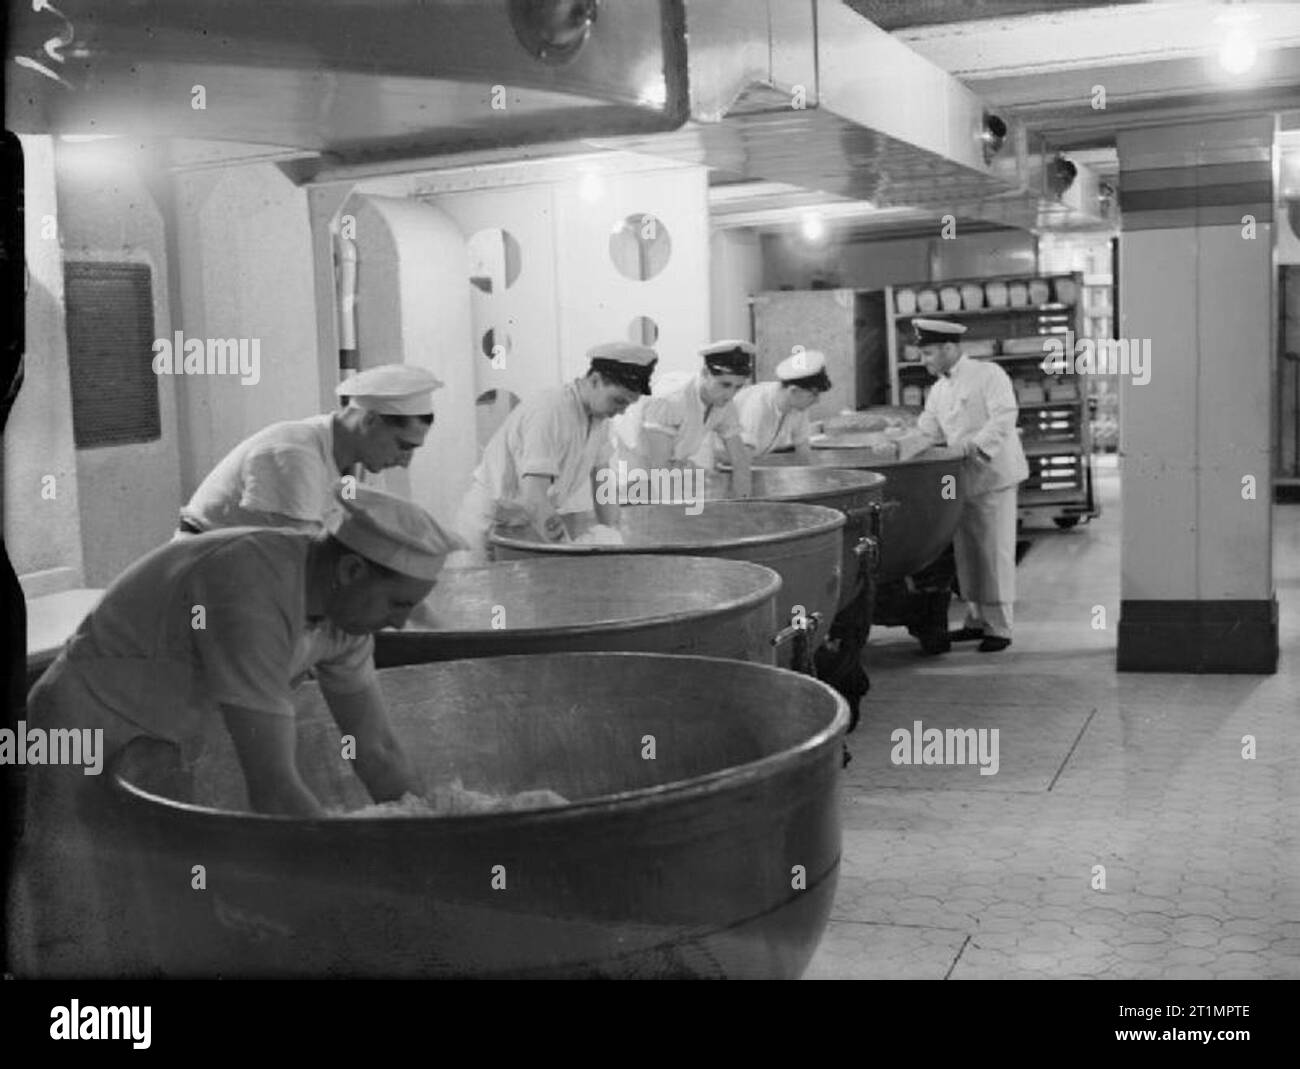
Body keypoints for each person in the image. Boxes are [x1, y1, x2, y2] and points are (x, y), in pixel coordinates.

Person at [10, 486, 461, 975]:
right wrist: (360, 889)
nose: (398, 624)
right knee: (75, 903)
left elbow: (378, 751)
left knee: (155, 907)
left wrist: (433, 851)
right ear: (352, 571)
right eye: (397, 605)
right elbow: (273, 786)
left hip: (162, 738)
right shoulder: (251, 587)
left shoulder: (345, 620)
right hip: (82, 726)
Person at [177, 363, 442, 535]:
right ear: (370, 420)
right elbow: (303, 560)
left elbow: (362, 532)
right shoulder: (295, 454)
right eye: (403, 446)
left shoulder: (358, 467)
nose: (405, 462)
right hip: (202, 583)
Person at [453, 342, 654, 561]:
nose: (622, 411)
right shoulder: (550, 411)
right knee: (480, 592)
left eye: (628, 404)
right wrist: (567, 554)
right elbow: (534, 497)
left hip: (527, 523)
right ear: (595, 380)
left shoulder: (599, 419)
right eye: (618, 400)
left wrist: (613, 537)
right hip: (490, 521)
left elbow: (603, 482)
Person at [906, 318, 1029, 652]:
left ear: (949, 348)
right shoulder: (939, 389)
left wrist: (972, 445)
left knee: (993, 551)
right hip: (961, 481)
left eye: (928, 352)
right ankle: (976, 620)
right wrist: (900, 443)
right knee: (969, 553)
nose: (924, 360)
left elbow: (1004, 416)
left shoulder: (988, 374)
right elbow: (928, 430)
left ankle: (1001, 628)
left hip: (993, 477)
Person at [612, 339, 755, 495]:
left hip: (663, 476)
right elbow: (659, 470)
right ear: (706, 373)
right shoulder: (670, 399)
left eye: (738, 387)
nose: (730, 394)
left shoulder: (723, 402)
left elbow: (740, 461)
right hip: (631, 477)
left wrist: (743, 504)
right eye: (725, 385)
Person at [730, 348, 832, 463]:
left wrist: (810, 476)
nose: (817, 400)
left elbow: (802, 446)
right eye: (813, 395)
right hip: (722, 466)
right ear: (793, 391)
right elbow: (742, 458)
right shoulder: (758, 406)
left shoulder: (798, 407)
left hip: (750, 461)